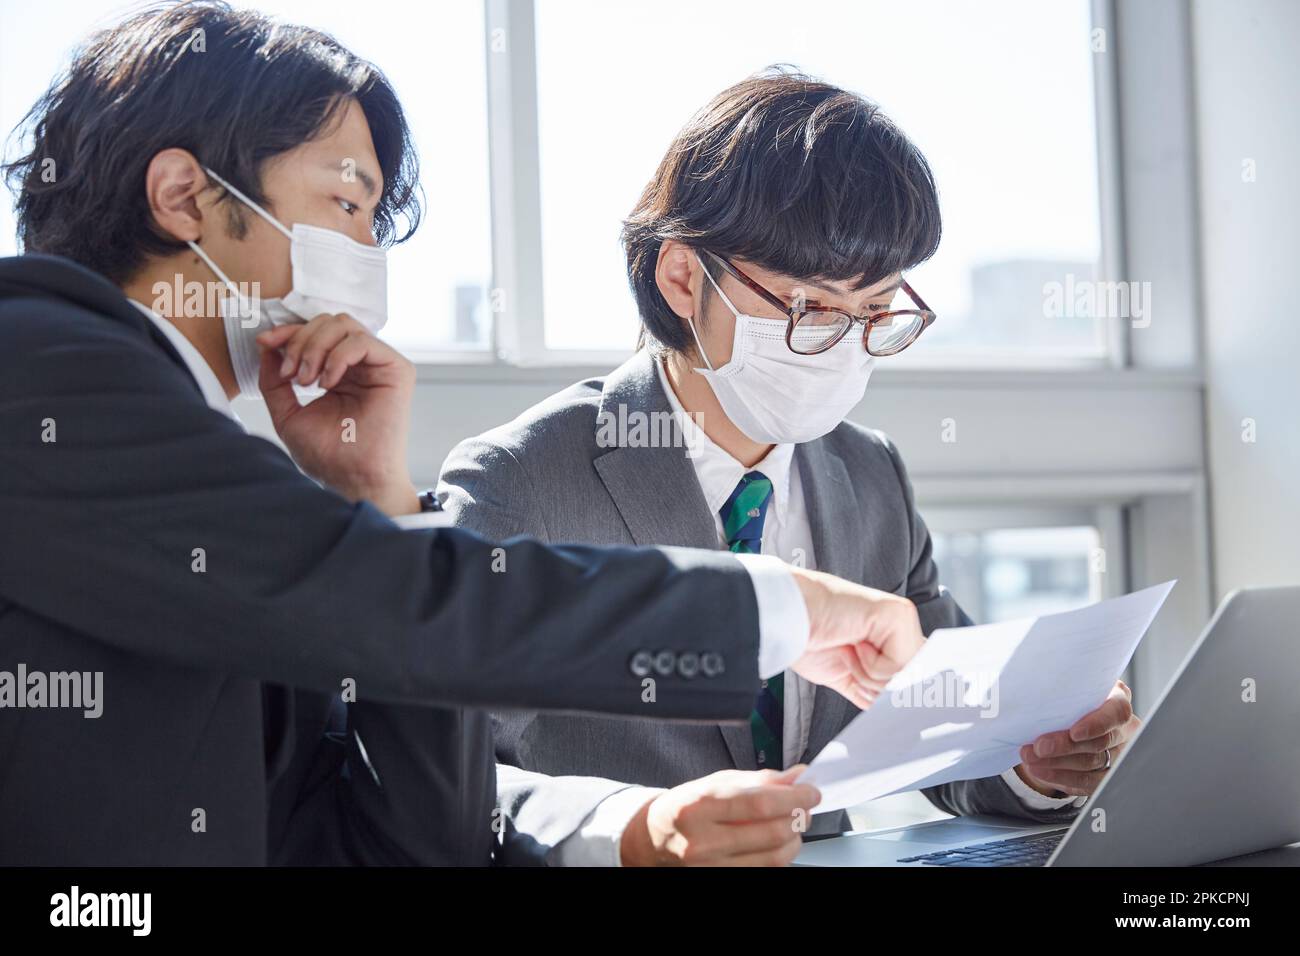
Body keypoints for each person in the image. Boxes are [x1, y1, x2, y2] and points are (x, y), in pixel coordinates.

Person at [0, 6, 923, 865]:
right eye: (349, 205)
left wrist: (381, 499)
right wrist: (779, 610)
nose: (368, 256)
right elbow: (425, 603)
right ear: (183, 197)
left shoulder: (214, 462)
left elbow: (402, 835)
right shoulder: (34, 365)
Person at [438, 70, 1143, 866]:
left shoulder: (869, 475)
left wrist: (1039, 760)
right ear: (682, 279)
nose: (845, 343)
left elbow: (947, 728)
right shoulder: (519, 482)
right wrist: (636, 831)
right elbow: (436, 785)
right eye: (810, 308)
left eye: (875, 310)